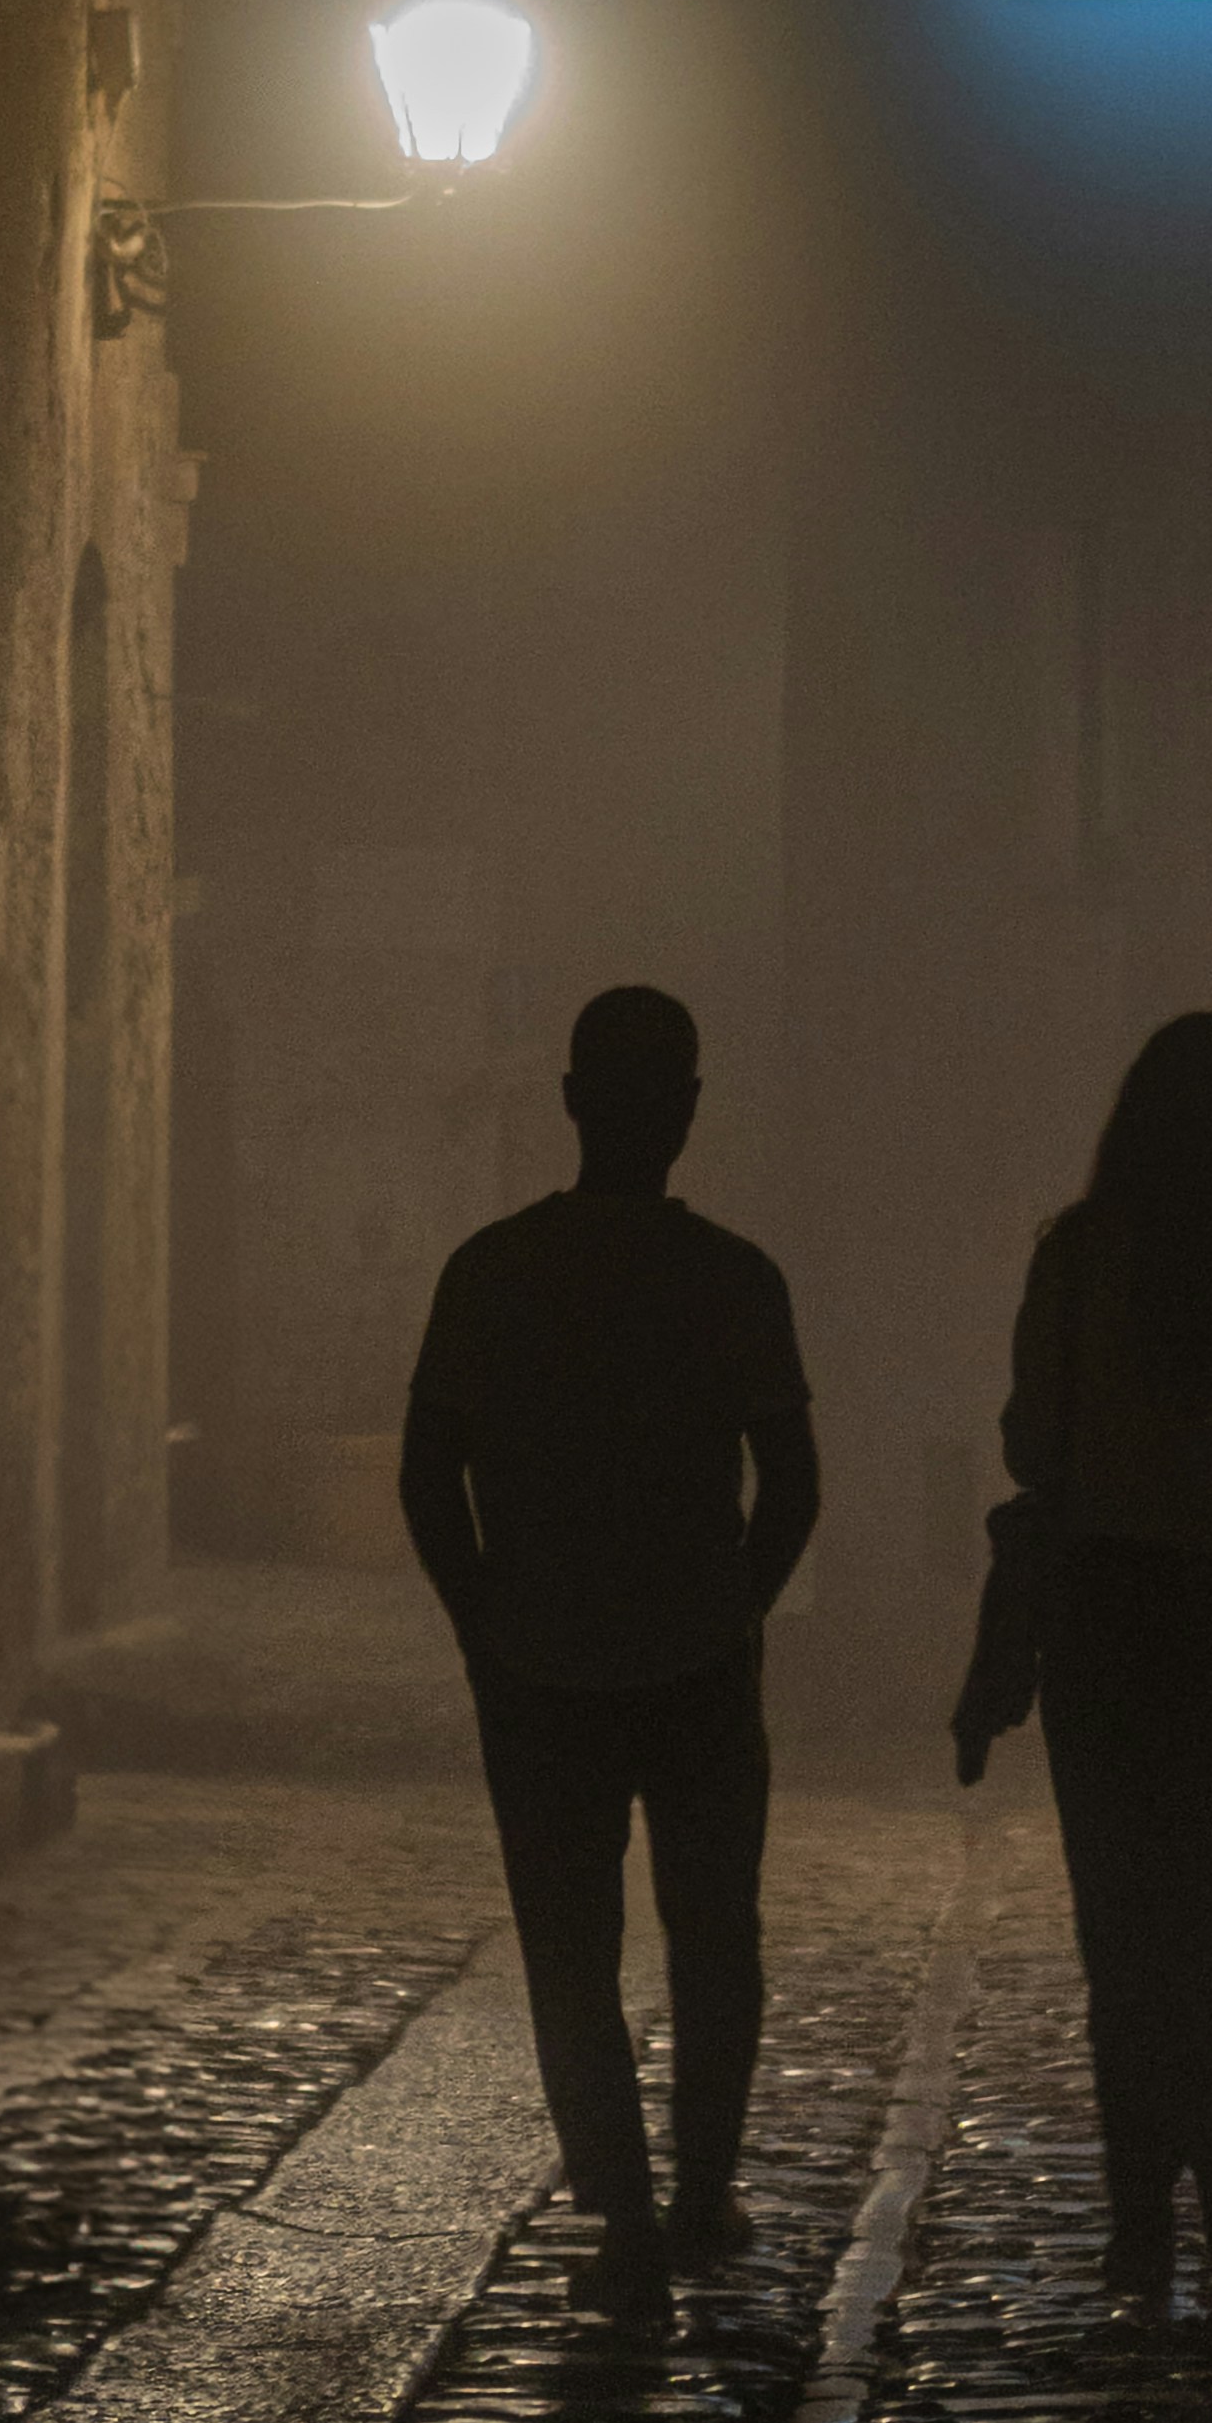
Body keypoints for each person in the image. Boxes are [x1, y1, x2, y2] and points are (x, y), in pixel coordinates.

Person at [401, 983, 819, 2317]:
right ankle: (704, 2187)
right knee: (715, 1932)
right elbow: (794, 1480)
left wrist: (483, 1618)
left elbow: (427, 1470)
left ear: (570, 1098)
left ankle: (627, 2209)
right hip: (698, 1657)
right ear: (687, 1108)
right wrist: (735, 1604)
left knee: (570, 1945)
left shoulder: (492, 1269)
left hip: (539, 1662)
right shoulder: (734, 1278)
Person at [979, 1010, 1212, 2297]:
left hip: (1108, 1616)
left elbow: (1034, 1447)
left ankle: (1144, 2210)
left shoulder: (1081, 1257)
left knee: (1125, 1918)